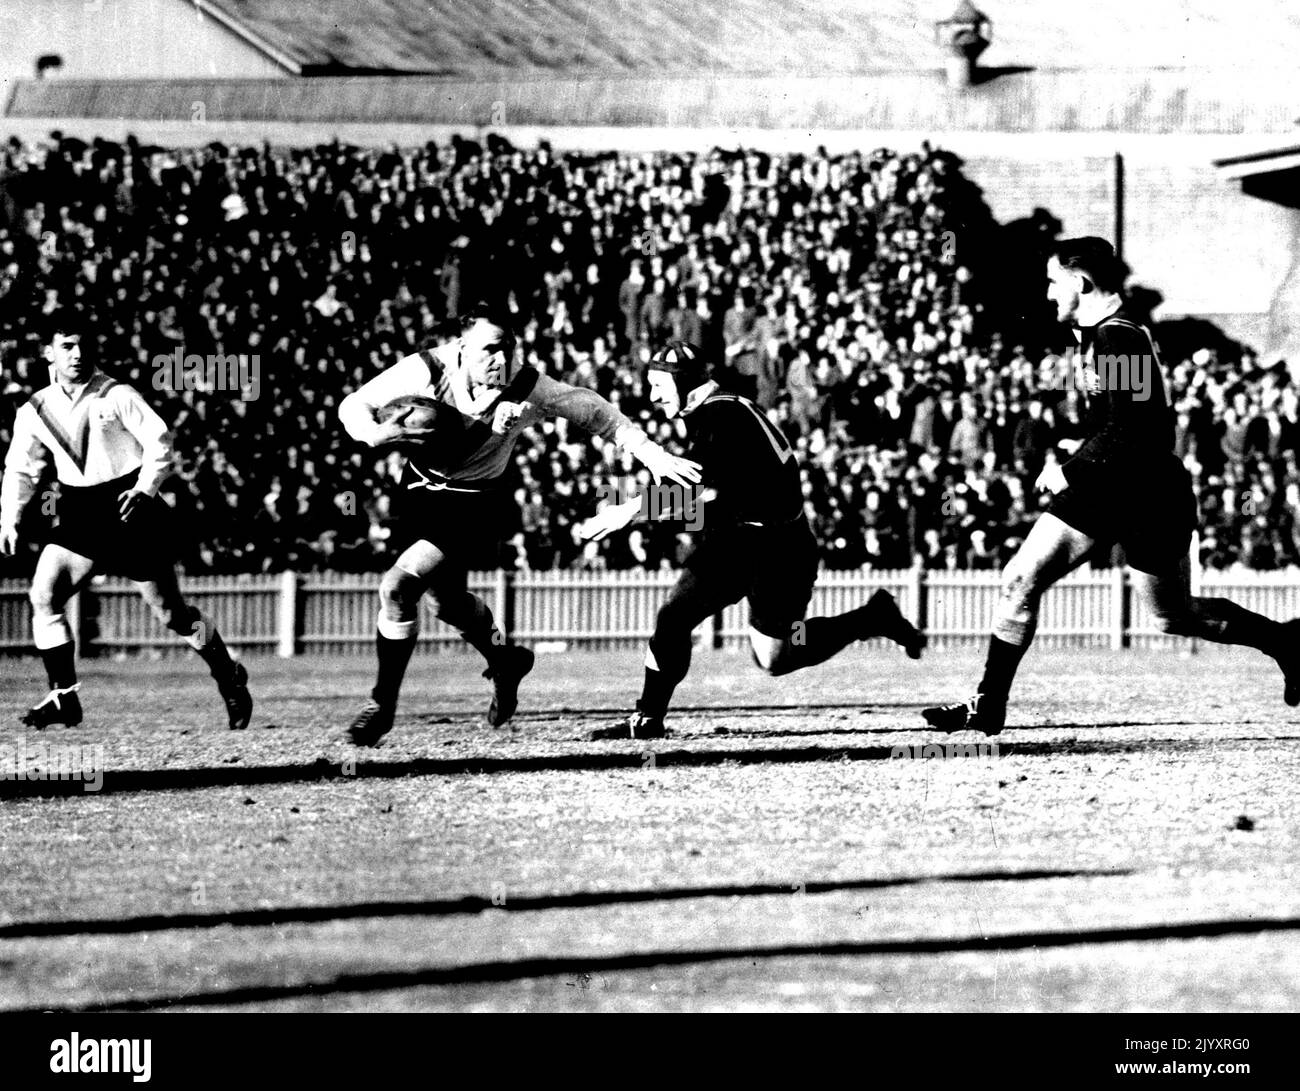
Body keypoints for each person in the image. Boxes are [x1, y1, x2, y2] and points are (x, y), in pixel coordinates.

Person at [923, 238, 1300, 736]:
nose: (1049, 293)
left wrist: (1069, 468)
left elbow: (1136, 431)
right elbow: (1123, 422)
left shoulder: (1118, 338)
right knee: (1019, 579)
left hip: (1148, 492)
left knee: (1175, 617)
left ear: (1080, 283)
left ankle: (1287, 644)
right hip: (1107, 483)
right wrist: (1078, 447)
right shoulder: (1099, 335)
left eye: (1054, 282)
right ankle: (987, 705)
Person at [337, 305, 700, 746]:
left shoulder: (525, 383)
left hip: (473, 502)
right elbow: (354, 404)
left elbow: (594, 409)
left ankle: (382, 704)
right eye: (490, 349)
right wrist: (370, 433)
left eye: (508, 348)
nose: (501, 359)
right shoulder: (426, 370)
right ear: (461, 348)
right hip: (418, 490)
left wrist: (652, 454)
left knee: (397, 588)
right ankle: (504, 659)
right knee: (444, 603)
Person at [577, 341, 925, 740]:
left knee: (777, 658)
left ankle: (872, 617)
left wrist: (629, 510)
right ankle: (648, 719)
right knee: (674, 617)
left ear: (686, 381)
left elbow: (699, 493)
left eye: (659, 385)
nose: (652, 395)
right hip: (736, 537)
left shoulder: (721, 413)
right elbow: (716, 492)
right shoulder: (717, 409)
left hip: (779, 548)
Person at [0, 312, 252, 730]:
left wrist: (147, 487)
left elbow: (160, 440)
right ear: (49, 353)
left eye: (83, 346)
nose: (77, 355)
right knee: (43, 596)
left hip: (128, 506)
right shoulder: (34, 409)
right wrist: (10, 517)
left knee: (173, 615)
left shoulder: (116, 394)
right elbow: (20, 468)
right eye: (67, 347)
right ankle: (64, 696)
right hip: (79, 512)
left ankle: (227, 672)